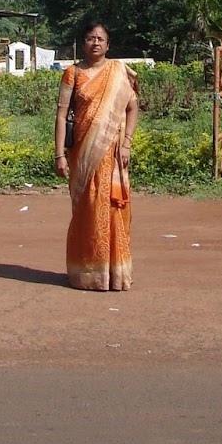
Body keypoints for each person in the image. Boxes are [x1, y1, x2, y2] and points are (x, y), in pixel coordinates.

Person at [54, 20, 138, 291]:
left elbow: (132, 108)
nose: (96, 43)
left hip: (113, 155)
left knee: (113, 209)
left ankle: (116, 274)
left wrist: (127, 143)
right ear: (83, 43)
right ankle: (87, 273)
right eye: (91, 38)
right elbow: (61, 115)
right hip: (83, 154)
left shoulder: (118, 72)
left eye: (101, 39)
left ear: (108, 45)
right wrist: (59, 155)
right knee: (87, 209)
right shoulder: (72, 74)